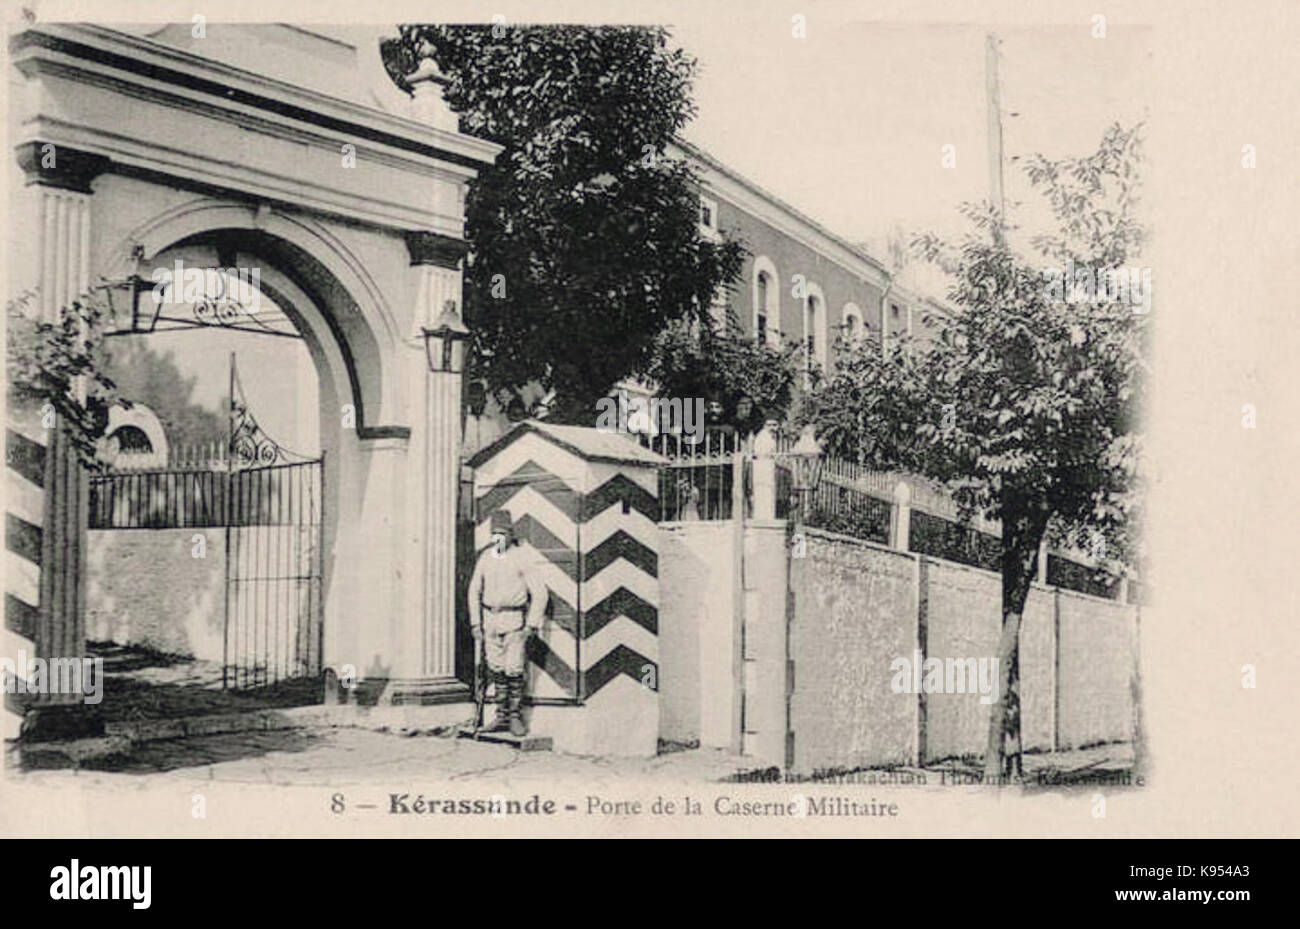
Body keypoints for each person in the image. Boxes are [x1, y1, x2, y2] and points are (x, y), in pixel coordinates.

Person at [466, 510, 547, 735]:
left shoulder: (522, 558)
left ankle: (514, 717)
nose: (499, 538)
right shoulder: (485, 558)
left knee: (514, 668)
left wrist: (531, 625)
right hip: (489, 620)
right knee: (496, 668)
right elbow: (474, 591)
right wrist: (475, 623)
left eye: (503, 533)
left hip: (513, 621)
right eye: (495, 534)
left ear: (511, 534)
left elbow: (540, 593)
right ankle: (501, 716)